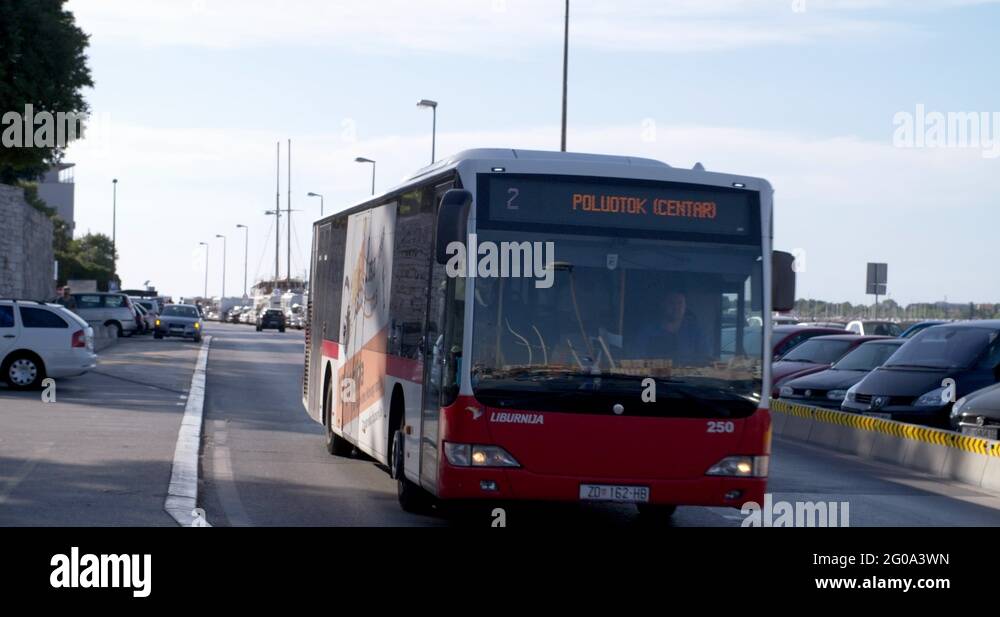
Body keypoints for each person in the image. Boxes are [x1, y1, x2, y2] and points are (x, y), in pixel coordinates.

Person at [636, 291, 709, 363]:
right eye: (672, 303)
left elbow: (704, 358)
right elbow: (638, 357)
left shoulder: (695, 332)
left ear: (685, 306)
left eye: (680, 303)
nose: (676, 307)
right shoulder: (648, 331)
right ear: (663, 305)